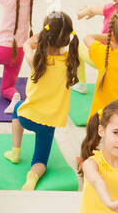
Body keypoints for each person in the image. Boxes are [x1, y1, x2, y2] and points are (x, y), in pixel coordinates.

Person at [5, 12, 79, 190]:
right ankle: (33, 176)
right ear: (67, 39)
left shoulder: (37, 60)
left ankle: (15, 151)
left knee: (17, 108)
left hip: (27, 117)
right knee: (40, 162)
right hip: (48, 123)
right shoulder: (71, 62)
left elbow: (26, 47)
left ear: (44, 34)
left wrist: (29, 42)